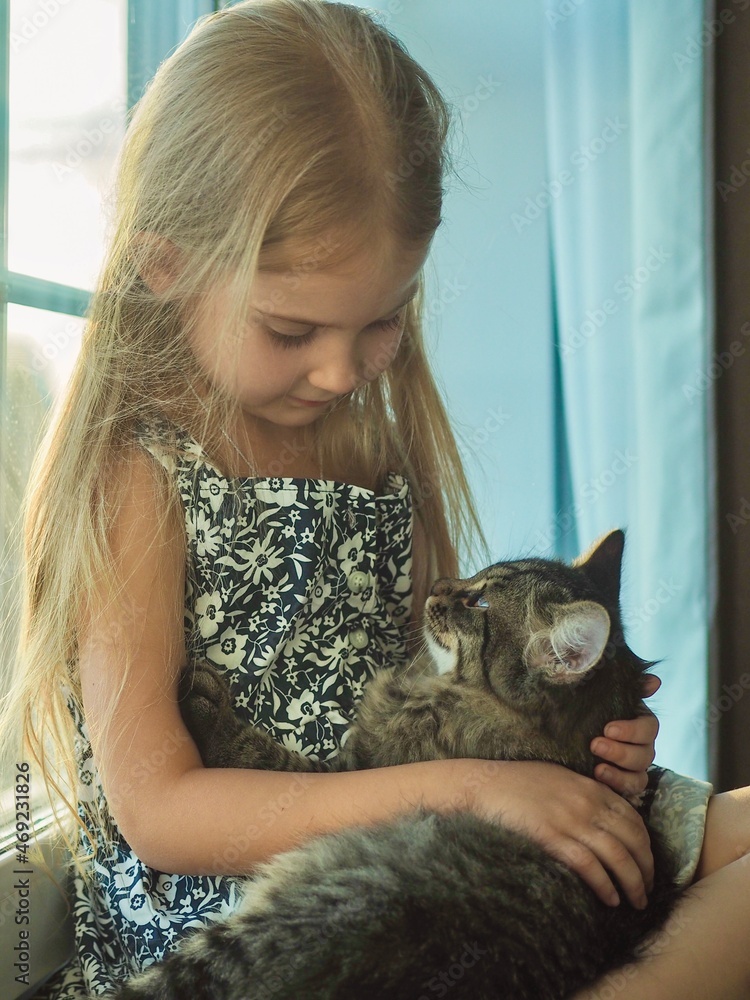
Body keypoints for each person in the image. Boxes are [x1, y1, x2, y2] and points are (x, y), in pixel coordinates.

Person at [0, 1, 739, 997]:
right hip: (264, 935)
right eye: (291, 329)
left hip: (426, 879)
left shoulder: (379, 455)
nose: (344, 368)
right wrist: (480, 789)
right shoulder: (146, 470)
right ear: (165, 260)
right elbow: (159, 811)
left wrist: (576, 746)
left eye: (381, 321)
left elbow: (440, 706)